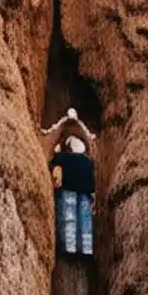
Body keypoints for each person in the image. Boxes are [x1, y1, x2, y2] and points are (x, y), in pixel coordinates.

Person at [44, 109, 96, 257]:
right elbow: (92, 178)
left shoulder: (62, 157)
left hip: (68, 190)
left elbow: (52, 162)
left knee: (69, 218)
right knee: (85, 220)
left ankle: (70, 248)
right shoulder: (87, 161)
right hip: (86, 193)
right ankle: (86, 249)